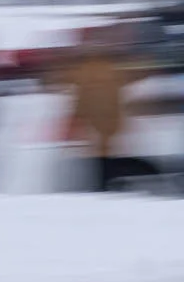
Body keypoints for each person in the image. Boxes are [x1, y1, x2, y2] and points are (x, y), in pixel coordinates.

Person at [53, 22, 154, 192]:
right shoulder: (105, 65)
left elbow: (60, 80)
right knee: (104, 154)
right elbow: (138, 73)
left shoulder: (89, 66)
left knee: (102, 154)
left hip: (101, 118)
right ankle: (106, 184)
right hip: (103, 118)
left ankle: (104, 184)